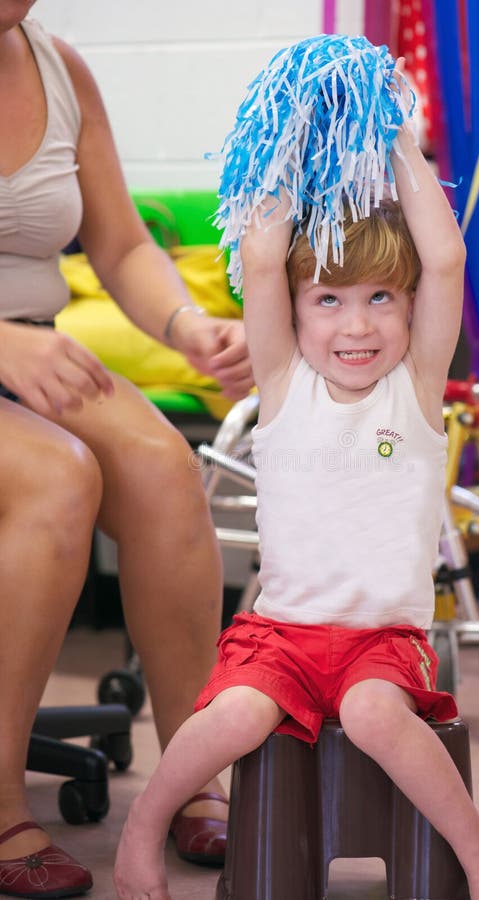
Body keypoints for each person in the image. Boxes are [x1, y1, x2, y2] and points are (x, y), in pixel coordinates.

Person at [113, 45, 479, 900]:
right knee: (229, 715)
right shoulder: (283, 384)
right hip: (282, 638)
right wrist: (290, 131)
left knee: (373, 713)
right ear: (295, 314)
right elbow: (263, 258)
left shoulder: (413, 389)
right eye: (329, 301)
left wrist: (391, 131)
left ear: (409, 308)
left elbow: (444, 259)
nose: (356, 326)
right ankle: (144, 828)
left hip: (383, 643)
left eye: (380, 299)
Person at [0, 3, 253, 897]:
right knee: (56, 475)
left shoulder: (59, 68)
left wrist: (189, 326)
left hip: (34, 348)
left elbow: (119, 242)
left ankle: (192, 775)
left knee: (164, 467)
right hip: (9, 350)